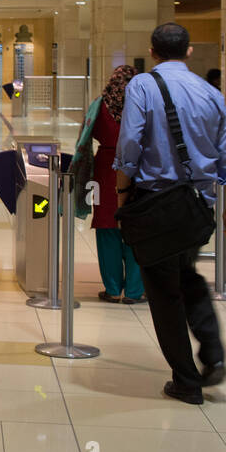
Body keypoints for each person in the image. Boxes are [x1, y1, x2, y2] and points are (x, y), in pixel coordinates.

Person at [115, 23, 226, 405]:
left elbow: (130, 145)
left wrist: (122, 197)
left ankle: (186, 380)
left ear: (152, 52)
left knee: (164, 292)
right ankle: (213, 352)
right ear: (188, 52)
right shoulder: (211, 92)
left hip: (156, 204)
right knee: (186, 273)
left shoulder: (142, 86)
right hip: (196, 208)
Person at [74, 65, 144, 304]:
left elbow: (86, 133)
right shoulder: (142, 105)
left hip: (105, 167)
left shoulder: (100, 105)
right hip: (137, 166)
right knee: (136, 227)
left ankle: (113, 289)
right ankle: (134, 291)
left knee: (107, 225)